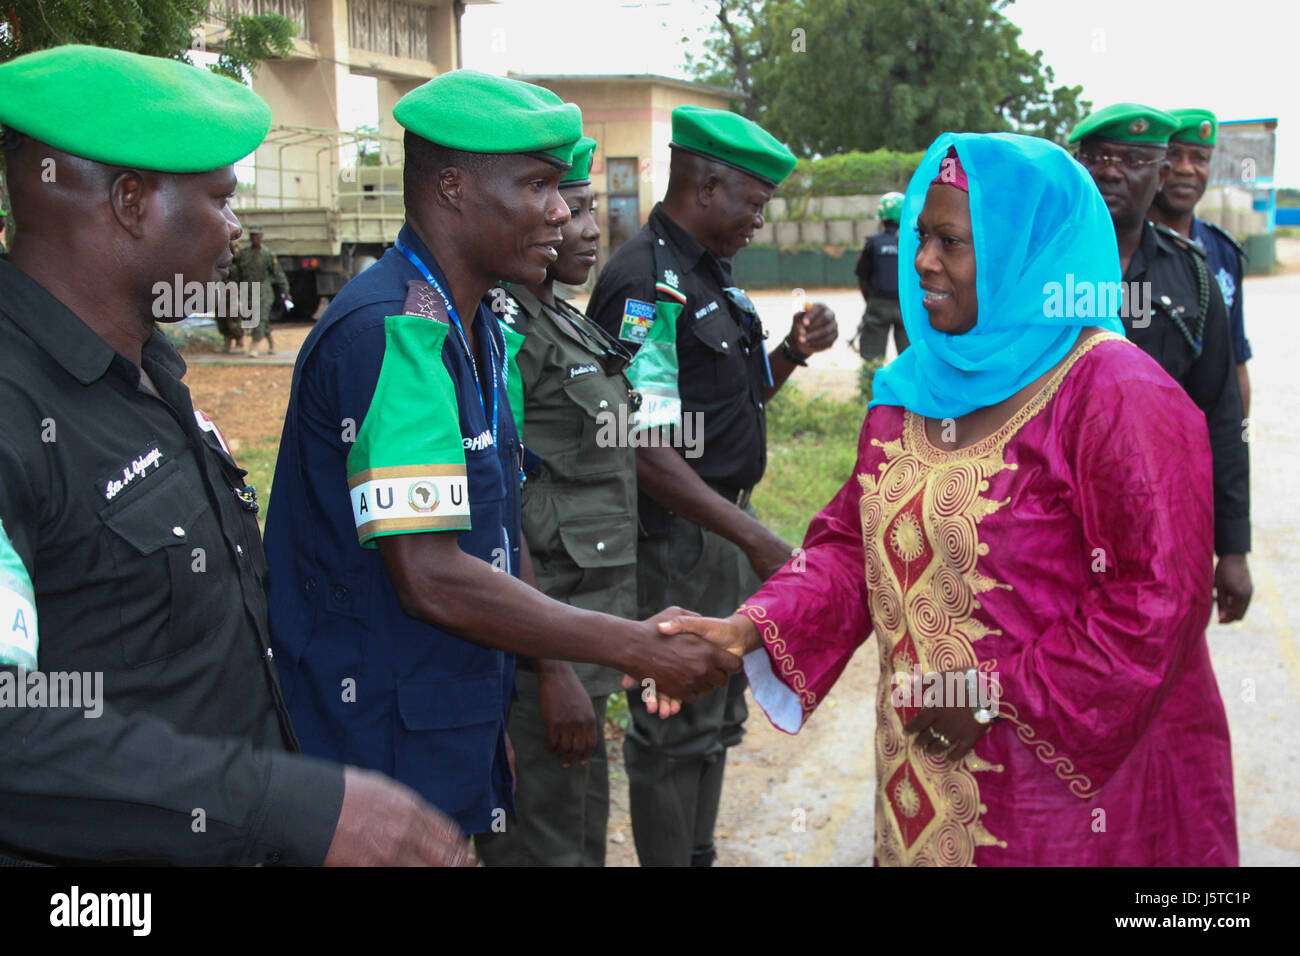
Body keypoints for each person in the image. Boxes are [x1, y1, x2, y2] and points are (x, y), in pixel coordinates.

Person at [659, 132, 1238, 866]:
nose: (922, 262)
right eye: (919, 238)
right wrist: (747, 628)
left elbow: (1160, 598)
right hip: (919, 773)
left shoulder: (1116, 395)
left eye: (950, 242)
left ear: (1024, 250)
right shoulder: (914, 390)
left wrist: (999, 691)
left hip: (1063, 794)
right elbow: (850, 542)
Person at [0, 44, 473, 866]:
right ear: (130, 202)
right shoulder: (14, 412)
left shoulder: (149, 372)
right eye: (220, 199)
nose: (236, 228)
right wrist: (290, 805)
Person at [263, 72, 740, 844]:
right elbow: (430, 578)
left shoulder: (476, 325)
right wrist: (632, 645)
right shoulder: (395, 333)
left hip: (447, 720)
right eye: (539, 185)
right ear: (451, 187)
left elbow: (494, 522)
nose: (562, 210)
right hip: (377, 746)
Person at [586, 105, 838, 867]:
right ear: (707, 183)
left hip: (722, 525)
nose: (759, 222)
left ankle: (697, 854)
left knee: (718, 703)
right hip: (678, 540)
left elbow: (727, 405)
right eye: (753, 204)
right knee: (673, 718)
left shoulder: (707, 275)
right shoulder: (646, 284)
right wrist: (752, 535)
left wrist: (790, 354)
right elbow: (643, 447)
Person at [473, 137, 638, 866]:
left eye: (590, 207)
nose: (586, 228)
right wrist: (554, 668)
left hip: (582, 624)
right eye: (569, 210)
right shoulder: (506, 330)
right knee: (544, 841)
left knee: (580, 832)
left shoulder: (563, 318)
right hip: (543, 637)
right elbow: (496, 502)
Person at [1069, 103, 1251, 624]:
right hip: (1058, 523)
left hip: (1163, 524)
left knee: (1161, 673)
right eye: (1097, 158)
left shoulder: (1193, 280)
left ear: (1161, 174)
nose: (1110, 171)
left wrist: (1232, 547)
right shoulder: (1037, 272)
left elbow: (1222, 413)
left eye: (1131, 159)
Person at [1148, 108, 1253, 417]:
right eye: (1173, 155)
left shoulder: (1223, 252)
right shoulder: (1126, 247)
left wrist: (1238, 442)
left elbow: (1236, 363)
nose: (1185, 169)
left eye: (1199, 158)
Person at [853, 191, 906, 361]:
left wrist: (870, 301)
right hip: (906, 305)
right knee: (911, 359)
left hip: (878, 304)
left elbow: (862, 277)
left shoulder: (873, 243)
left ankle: (871, 386)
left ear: (882, 218)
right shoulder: (914, 242)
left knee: (872, 358)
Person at [229, 224, 290, 356]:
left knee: (260, 318)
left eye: (257, 236)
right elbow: (237, 272)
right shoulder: (244, 254)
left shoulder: (267, 254)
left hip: (264, 292)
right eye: (252, 236)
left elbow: (278, 274)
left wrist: (286, 292)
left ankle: (254, 346)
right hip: (248, 291)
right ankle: (271, 341)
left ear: (261, 237)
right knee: (255, 318)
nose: (255, 239)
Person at [216, 238, 245, 353]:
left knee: (234, 315)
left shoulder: (233, 245)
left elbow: (239, 265)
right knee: (221, 315)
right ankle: (227, 341)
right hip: (220, 286)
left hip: (232, 286)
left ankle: (239, 341)